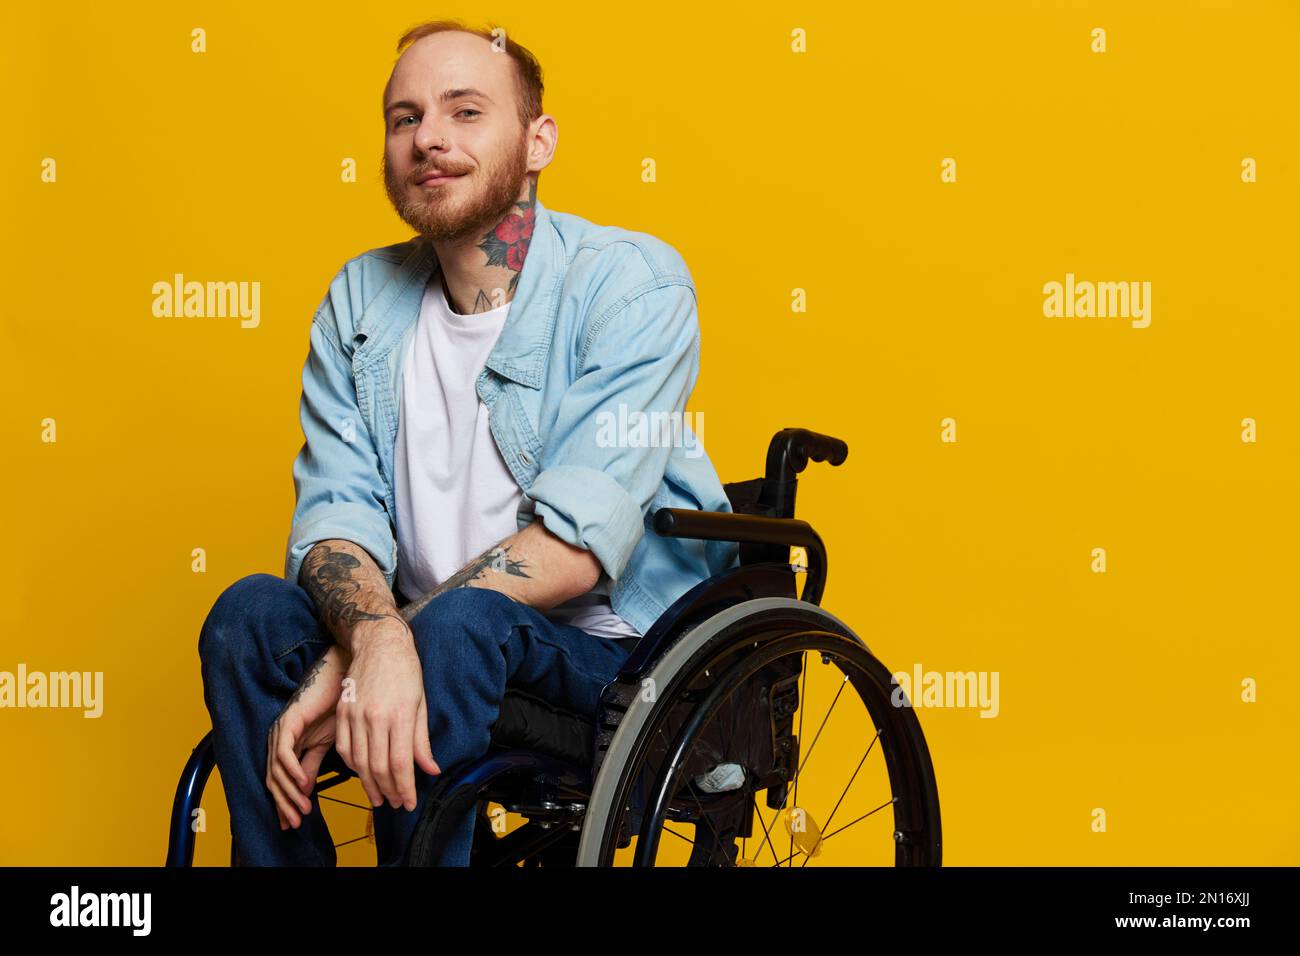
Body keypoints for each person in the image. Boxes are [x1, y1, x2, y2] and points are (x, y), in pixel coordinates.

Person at [197, 19, 737, 866]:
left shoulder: (632, 284)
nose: (430, 139)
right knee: (247, 618)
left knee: (461, 626)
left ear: (537, 141)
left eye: (465, 111)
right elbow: (335, 520)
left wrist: (384, 647)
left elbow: (572, 550)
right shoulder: (360, 300)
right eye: (405, 117)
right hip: (429, 638)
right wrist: (371, 644)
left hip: (604, 660)